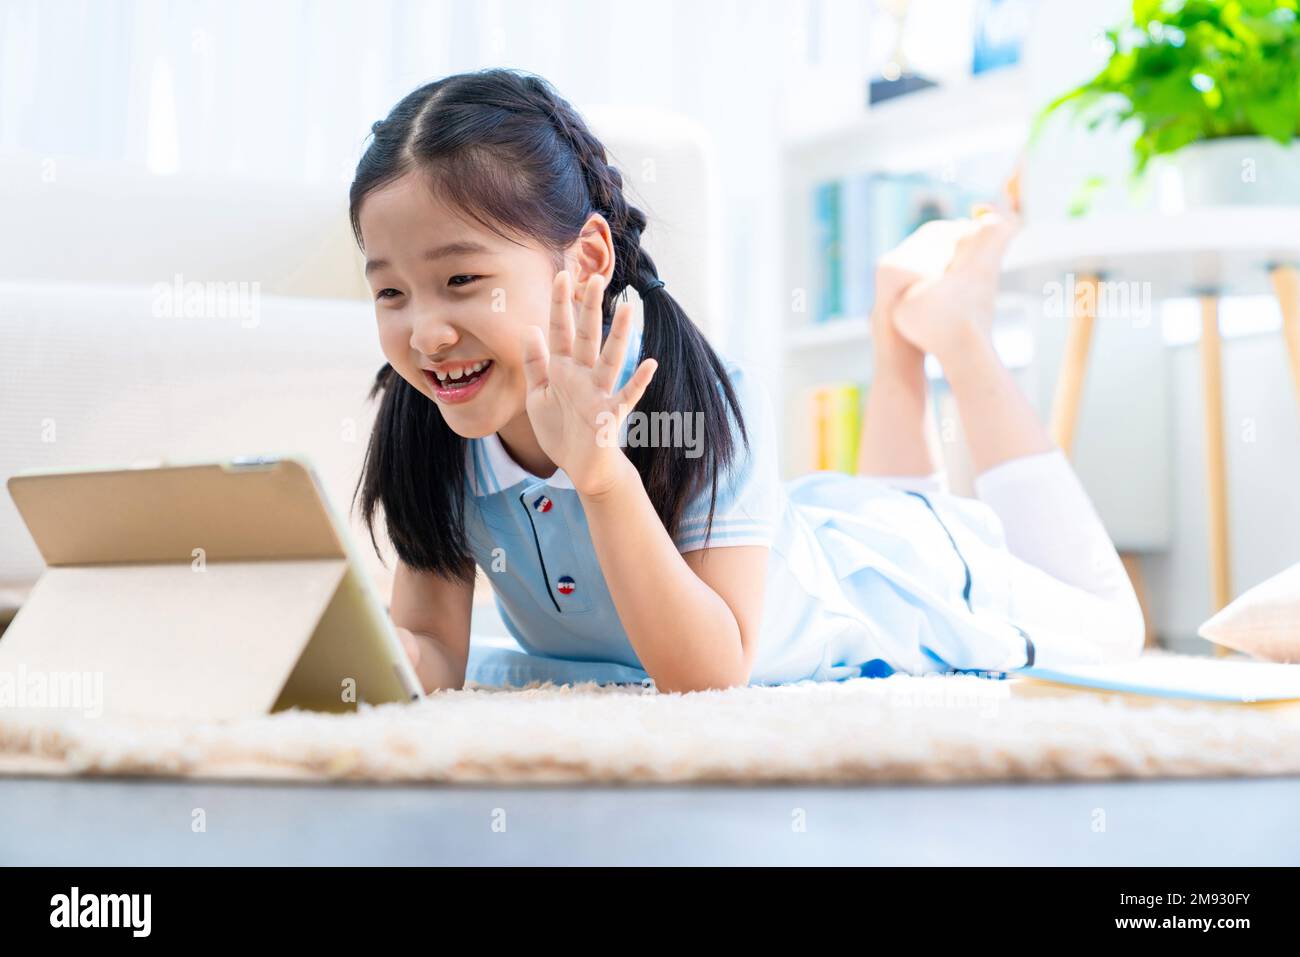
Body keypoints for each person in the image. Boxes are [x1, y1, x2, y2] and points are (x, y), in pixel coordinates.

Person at [348, 68, 1144, 695]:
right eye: (390, 291)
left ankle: (955, 334)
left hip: (905, 587)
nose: (424, 330)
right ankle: (898, 338)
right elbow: (433, 653)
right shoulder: (432, 430)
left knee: (1115, 628)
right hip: (818, 537)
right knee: (894, 511)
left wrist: (599, 474)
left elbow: (709, 673)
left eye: (460, 280)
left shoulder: (692, 399)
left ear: (586, 260)